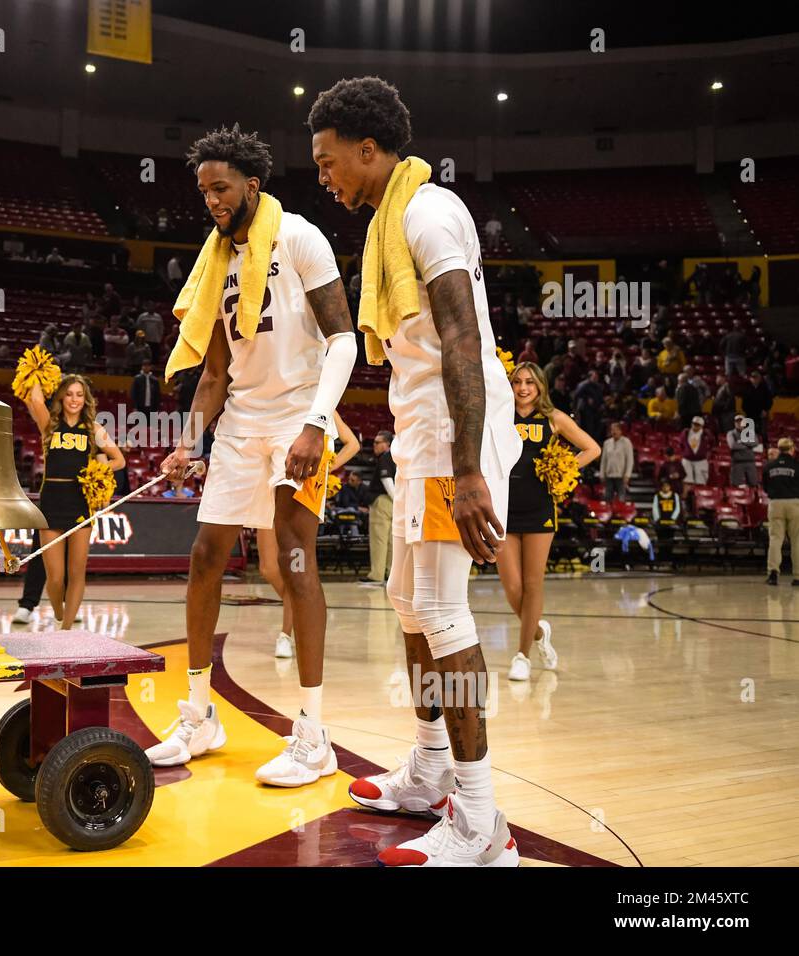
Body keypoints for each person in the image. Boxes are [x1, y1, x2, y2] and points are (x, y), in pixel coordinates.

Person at [310, 76, 524, 864]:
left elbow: (464, 342)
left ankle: (481, 820)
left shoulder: (429, 214)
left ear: (369, 150)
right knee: (407, 601)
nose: (325, 177)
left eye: (330, 163)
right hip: (422, 435)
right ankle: (432, 768)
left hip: (453, 439)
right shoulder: (388, 222)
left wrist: (468, 470)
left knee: (441, 612)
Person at [151, 123, 356, 789]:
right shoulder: (217, 262)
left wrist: (317, 425)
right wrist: (188, 442)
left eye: (221, 187)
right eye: (203, 189)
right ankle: (199, 715)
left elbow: (344, 340)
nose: (210, 199)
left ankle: (313, 734)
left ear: (251, 186)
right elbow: (213, 373)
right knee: (207, 556)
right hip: (241, 418)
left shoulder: (298, 236)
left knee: (295, 563)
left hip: (299, 412)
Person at [501, 363, 599, 682]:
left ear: (541, 386)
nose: (523, 388)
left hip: (539, 508)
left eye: (530, 382)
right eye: (517, 382)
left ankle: (522, 656)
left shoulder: (554, 418)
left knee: (533, 584)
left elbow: (592, 448)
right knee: (512, 587)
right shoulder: (498, 416)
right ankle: (539, 632)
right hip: (503, 508)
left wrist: (563, 468)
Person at [24, 375, 125, 629]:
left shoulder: (93, 429)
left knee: (76, 572)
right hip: (51, 504)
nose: (74, 399)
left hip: (80, 504)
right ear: (61, 396)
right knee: (55, 578)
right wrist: (37, 369)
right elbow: (35, 399)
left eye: (79, 394)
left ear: (86, 399)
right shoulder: (49, 425)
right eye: (69, 394)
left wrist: (98, 471)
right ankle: (58, 610)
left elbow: (119, 460)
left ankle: (67, 630)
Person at [261, 411, 359, 659]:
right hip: (268, 482)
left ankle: (285, 635)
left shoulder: (323, 401)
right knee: (268, 568)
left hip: (300, 488)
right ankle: (298, 607)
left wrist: (326, 466)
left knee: (293, 568)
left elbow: (353, 444)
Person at [359, 430, 396, 587]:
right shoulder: (396, 457)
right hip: (394, 502)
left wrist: (396, 500)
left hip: (383, 501)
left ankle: (377, 575)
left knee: (379, 539)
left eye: (377, 442)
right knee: (391, 541)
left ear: (387, 444)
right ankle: (390, 574)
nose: (373, 445)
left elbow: (386, 479)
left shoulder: (385, 458)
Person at [764, 437, 799, 586]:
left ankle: (773, 574)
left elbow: (765, 486)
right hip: (794, 503)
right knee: (797, 540)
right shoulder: (797, 466)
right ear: (792, 449)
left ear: (779, 449)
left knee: (775, 539)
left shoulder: (769, 466)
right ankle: (798, 576)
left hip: (775, 503)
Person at [600, 422, 634, 502]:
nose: (614, 432)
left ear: (620, 431)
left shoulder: (627, 442)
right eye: (612, 430)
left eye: (616, 430)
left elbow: (630, 460)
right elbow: (604, 460)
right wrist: (602, 473)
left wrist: (627, 475)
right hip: (609, 475)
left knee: (621, 498)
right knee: (607, 497)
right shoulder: (607, 443)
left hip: (621, 476)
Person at [728, 414, 761, 487]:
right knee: (736, 485)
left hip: (750, 462)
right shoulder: (731, 433)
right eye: (737, 422)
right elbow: (733, 445)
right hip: (737, 463)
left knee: (753, 484)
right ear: (734, 423)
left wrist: (741, 441)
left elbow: (755, 442)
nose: (739, 423)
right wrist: (748, 445)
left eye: (741, 421)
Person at [680, 415, 711, 486]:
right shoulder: (686, 432)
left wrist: (705, 452)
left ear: (701, 426)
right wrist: (685, 452)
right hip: (687, 459)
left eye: (697, 425)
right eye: (694, 424)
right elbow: (681, 444)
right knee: (686, 481)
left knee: (701, 481)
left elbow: (712, 443)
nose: (695, 426)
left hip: (701, 460)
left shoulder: (706, 434)